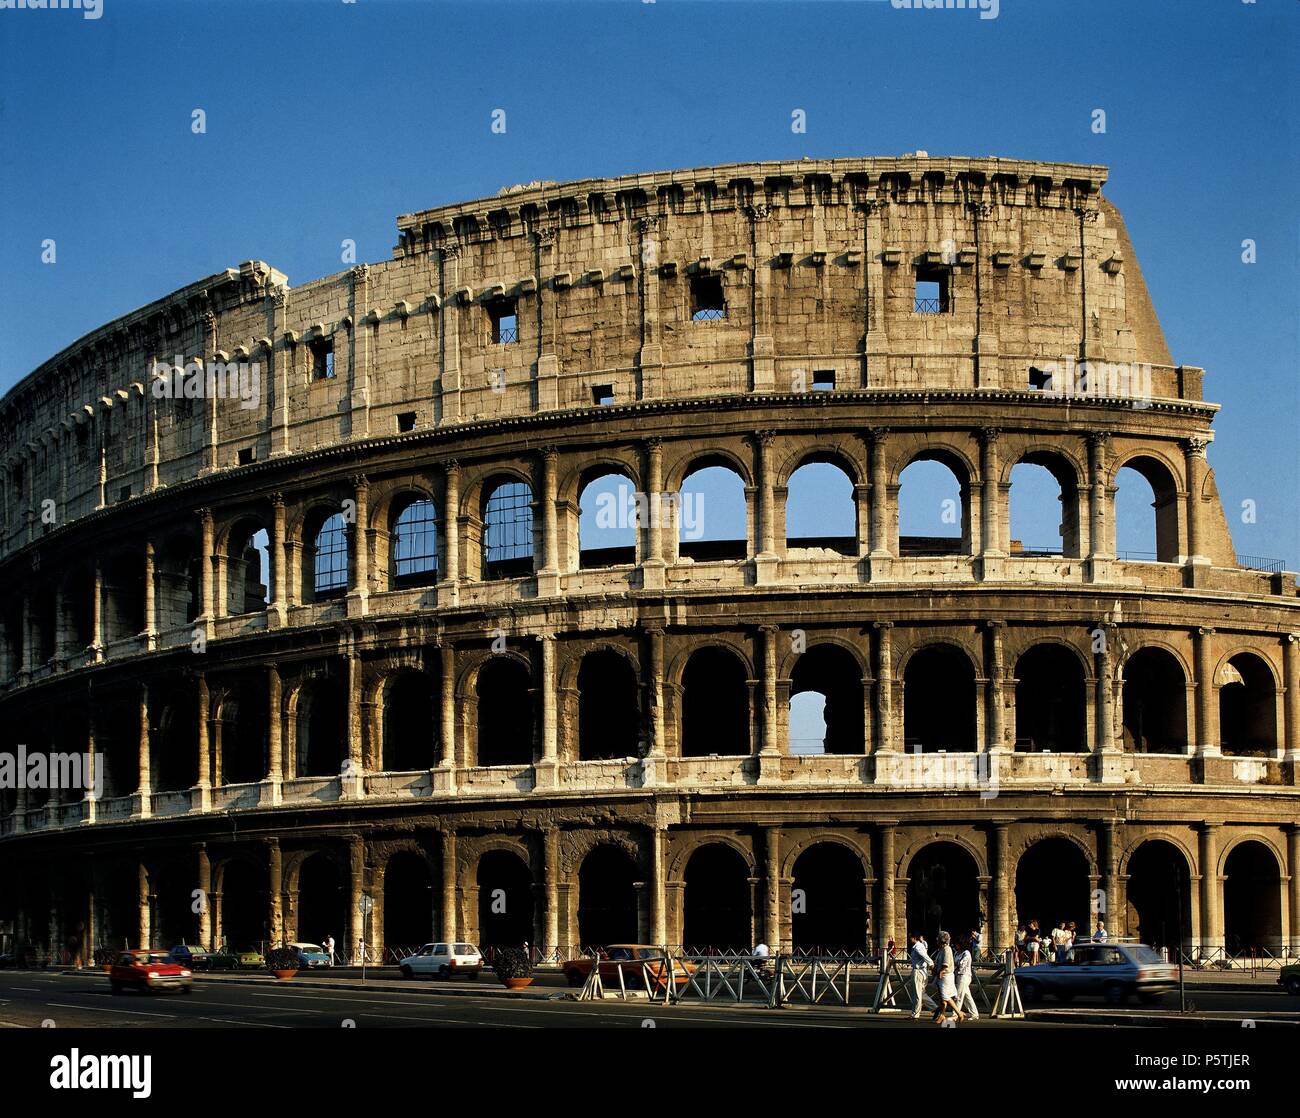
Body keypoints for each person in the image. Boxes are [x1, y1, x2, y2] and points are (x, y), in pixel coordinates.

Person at [932, 933, 964, 1025]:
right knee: (943, 999)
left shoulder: (947, 949)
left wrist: (941, 971)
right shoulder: (942, 949)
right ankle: (942, 1015)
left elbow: (946, 963)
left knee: (945, 996)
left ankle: (959, 1013)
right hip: (942, 976)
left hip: (946, 976)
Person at [908, 933, 937, 1019]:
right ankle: (935, 1008)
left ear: (914, 938)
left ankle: (915, 1014)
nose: (909, 940)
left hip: (918, 972)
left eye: (910, 938)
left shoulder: (917, 947)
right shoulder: (919, 946)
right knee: (921, 993)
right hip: (921, 971)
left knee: (917, 993)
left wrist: (931, 965)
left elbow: (925, 957)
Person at [954, 937, 979, 1021]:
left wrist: (956, 964)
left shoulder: (966, 953)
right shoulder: (956, 953)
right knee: (967, 996)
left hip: (965, 975)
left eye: (957, 944)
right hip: (958, 975)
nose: (956, 946)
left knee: (959, 995)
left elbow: (961, 964)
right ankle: (974, 1013)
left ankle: (955, 1014)